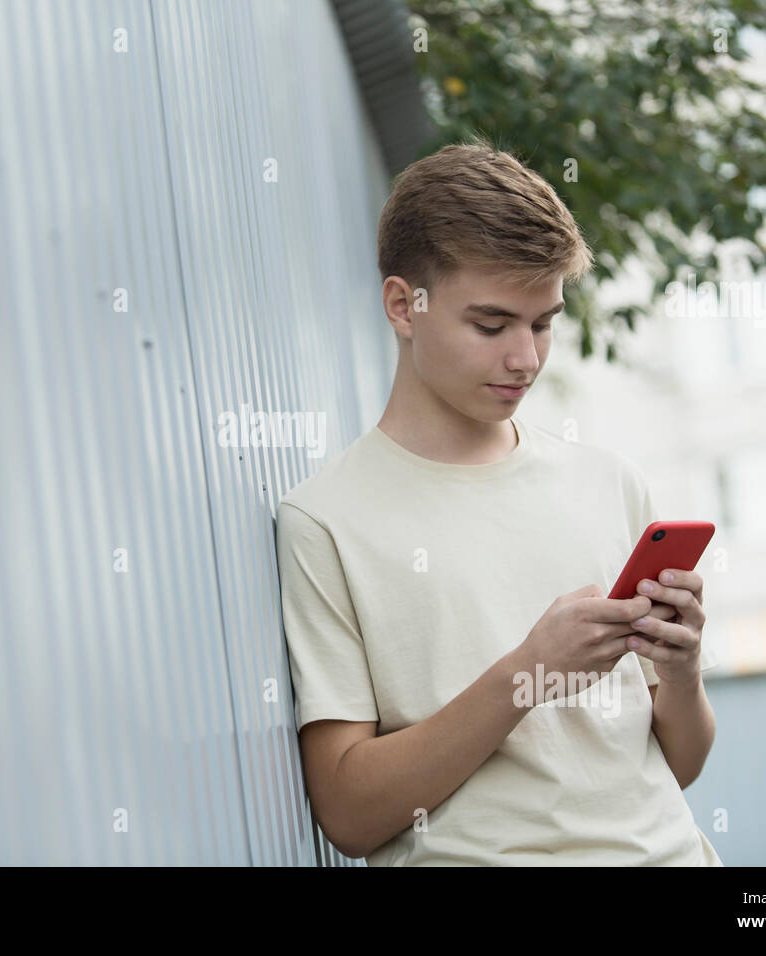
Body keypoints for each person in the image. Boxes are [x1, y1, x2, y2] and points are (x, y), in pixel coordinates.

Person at [274, 135, 722, 866]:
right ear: (403, 305)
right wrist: (528, 673)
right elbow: (349, 815)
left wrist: (680, 668)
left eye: (543, 323)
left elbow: (681, 764)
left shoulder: (610, 483)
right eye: (491, 325)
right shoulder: (325, 522)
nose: (526, 358)